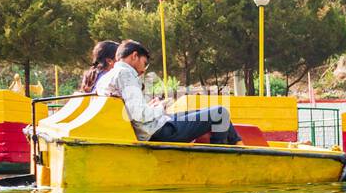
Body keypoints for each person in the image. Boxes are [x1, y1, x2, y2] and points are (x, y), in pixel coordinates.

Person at [96, 39, 241, 145]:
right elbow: (140, 115)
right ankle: (222, 157)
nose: (143, 70)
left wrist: (151, 107)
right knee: (220, 113)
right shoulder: (125, 74)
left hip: (152, 126)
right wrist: (160, 107)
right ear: (134, 56)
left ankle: (237, 142)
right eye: (144, 64)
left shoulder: (106, 77)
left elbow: (133, 110)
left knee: (207, 112)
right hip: (157, 131)